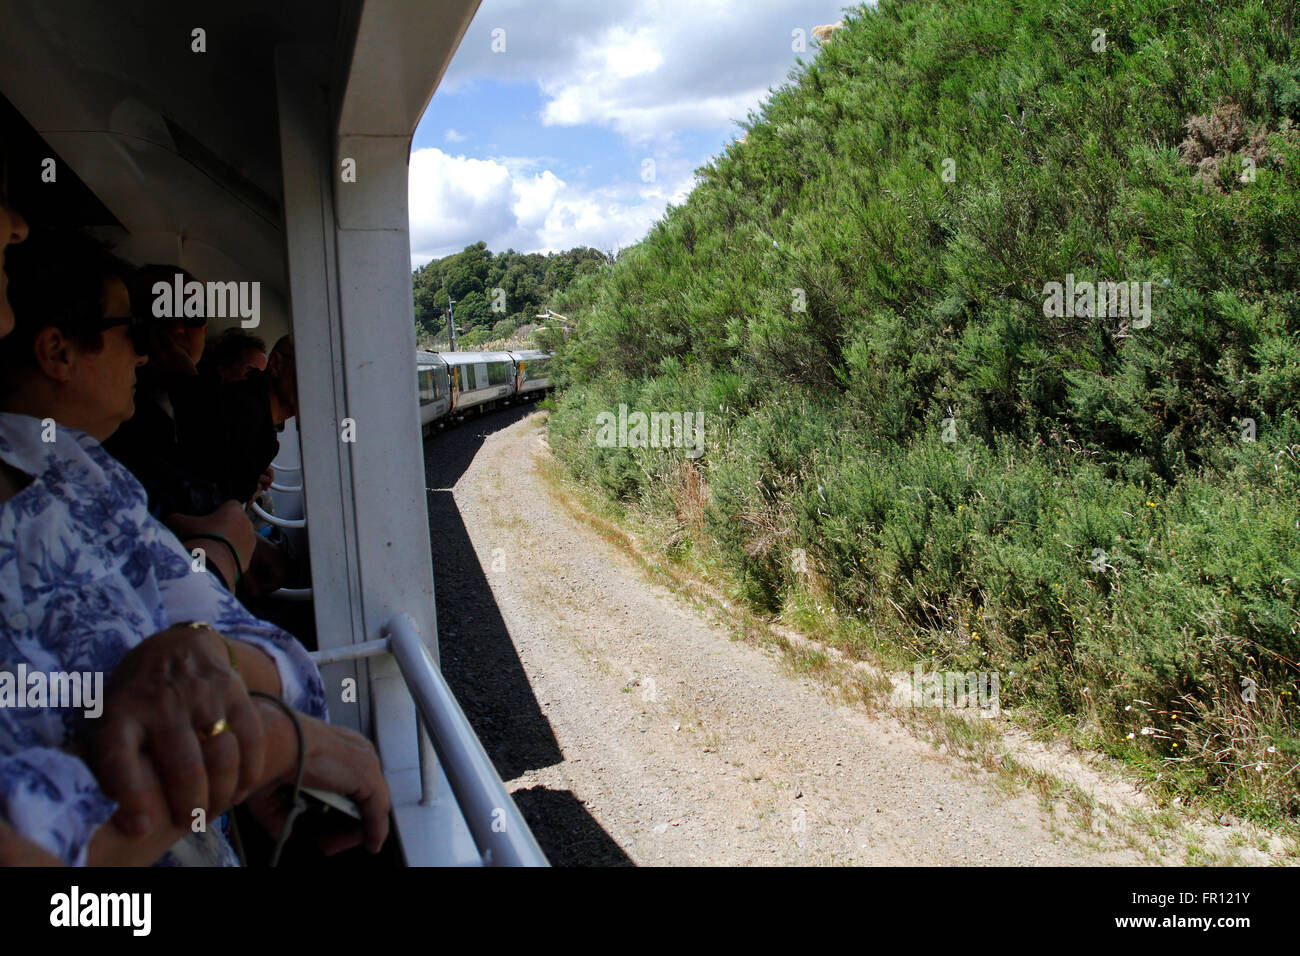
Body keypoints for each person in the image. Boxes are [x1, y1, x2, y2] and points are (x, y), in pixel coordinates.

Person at [0, 229, 389, 865]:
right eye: (135, 332)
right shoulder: (133, 443)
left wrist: (207, 656)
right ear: (58, 352)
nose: (149, 355)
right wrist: (256, 741)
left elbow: (288, 668)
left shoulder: (74, 466)